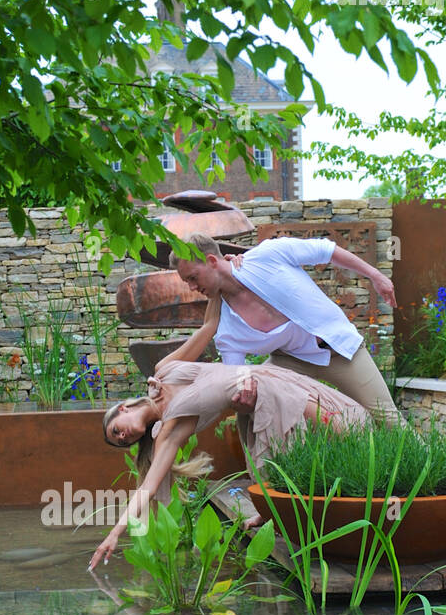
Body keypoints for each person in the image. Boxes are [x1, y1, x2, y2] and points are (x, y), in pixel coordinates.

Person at [87, 323, 369, 569]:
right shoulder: (170, 429)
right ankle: (294, 512)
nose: (123, 438)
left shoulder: (163, 372)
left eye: (116, 431)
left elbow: (209, 326)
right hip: (258, 400)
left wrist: (216, 271)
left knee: (345, 429)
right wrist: (115, 533)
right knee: (278, 463)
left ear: (122, 408)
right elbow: (147, 488)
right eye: (123, 442)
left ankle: (380, 479)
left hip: (264, 380)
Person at [168, 231, 400, 422]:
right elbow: (235, 376)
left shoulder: (268, 255)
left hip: (337, 348)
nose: (191, 287)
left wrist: (375, 275)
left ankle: (433, 474)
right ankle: (266, 475)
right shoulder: (227, 329)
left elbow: (326, 250)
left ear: (211, 261)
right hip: (290, 363)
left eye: (193, 277)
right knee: (251, 412)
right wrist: (243, 394)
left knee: (389, 420)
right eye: (187, 281)